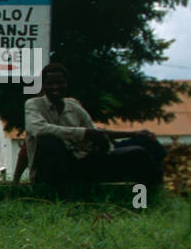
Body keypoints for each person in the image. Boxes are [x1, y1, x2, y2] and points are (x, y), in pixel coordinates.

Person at [24, 62, 166, 191]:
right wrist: (83, 133)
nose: (55, 87)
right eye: (50, 83)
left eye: (60, 83)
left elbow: (95, 132)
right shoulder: (33, 104)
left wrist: (133, 134)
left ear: (67, 84)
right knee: (48, 140)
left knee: (143, 145)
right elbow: (39, 129)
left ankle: (151, 192)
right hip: (55, 169)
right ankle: (60, 192)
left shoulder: (73, 106)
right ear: (43, 85)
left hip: (82, 161)